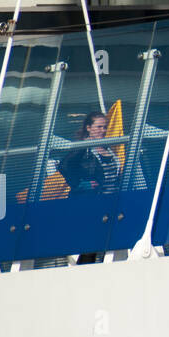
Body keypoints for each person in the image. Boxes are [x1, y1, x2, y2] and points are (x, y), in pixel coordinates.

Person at [58, 112, 120, 265]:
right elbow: (65, 166)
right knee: (91, 245)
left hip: (110, 202)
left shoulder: (107, 149)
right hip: (92, 203)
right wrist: (80, 184)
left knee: (108, 244)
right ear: (88, 128)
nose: (102, 130)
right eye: (98, 127)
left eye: (104, 127)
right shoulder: (83, 148)